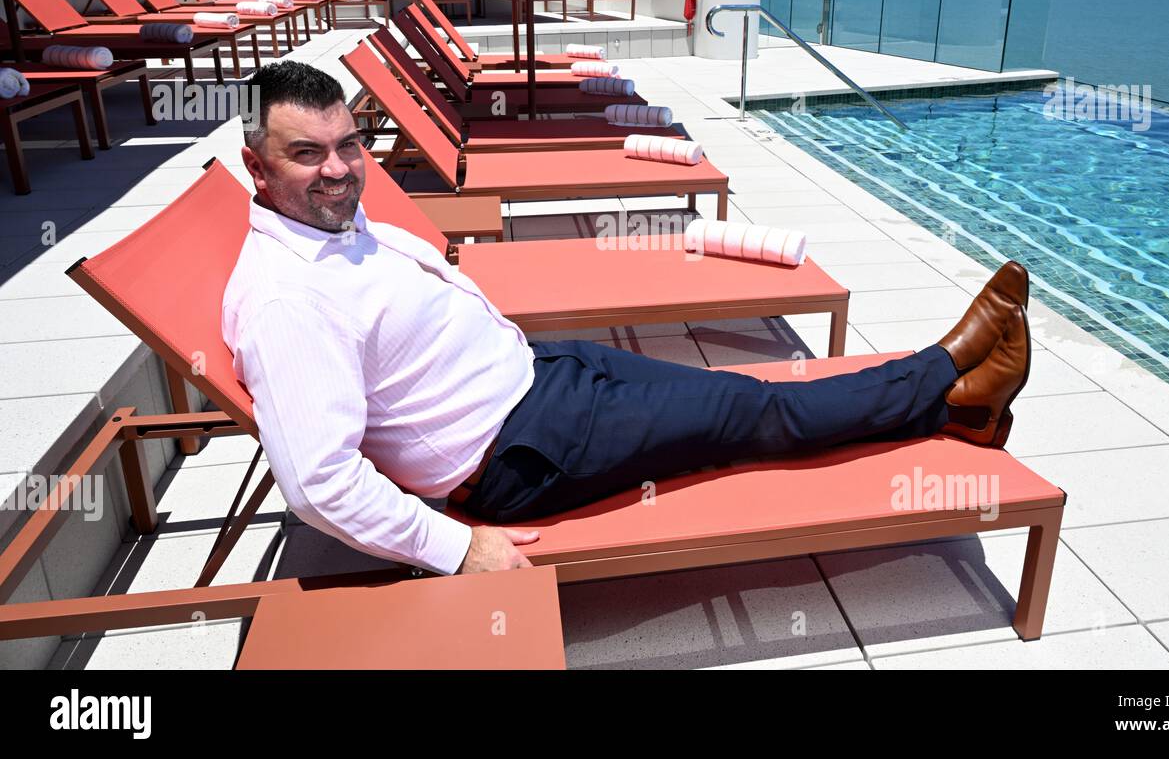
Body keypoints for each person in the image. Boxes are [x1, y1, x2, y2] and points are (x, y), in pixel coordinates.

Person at [223, 62, 1031, 579]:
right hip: (522, 453)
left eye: (348, 145)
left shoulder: (336, 226)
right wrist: (457, 546)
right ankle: (943, 371)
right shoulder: (286, 300)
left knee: (735, 389)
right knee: (753, 409)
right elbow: (318, 482)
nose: (338, 170)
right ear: (257, 167)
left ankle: (960, 407)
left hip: (543, 376)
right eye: (307, 154)